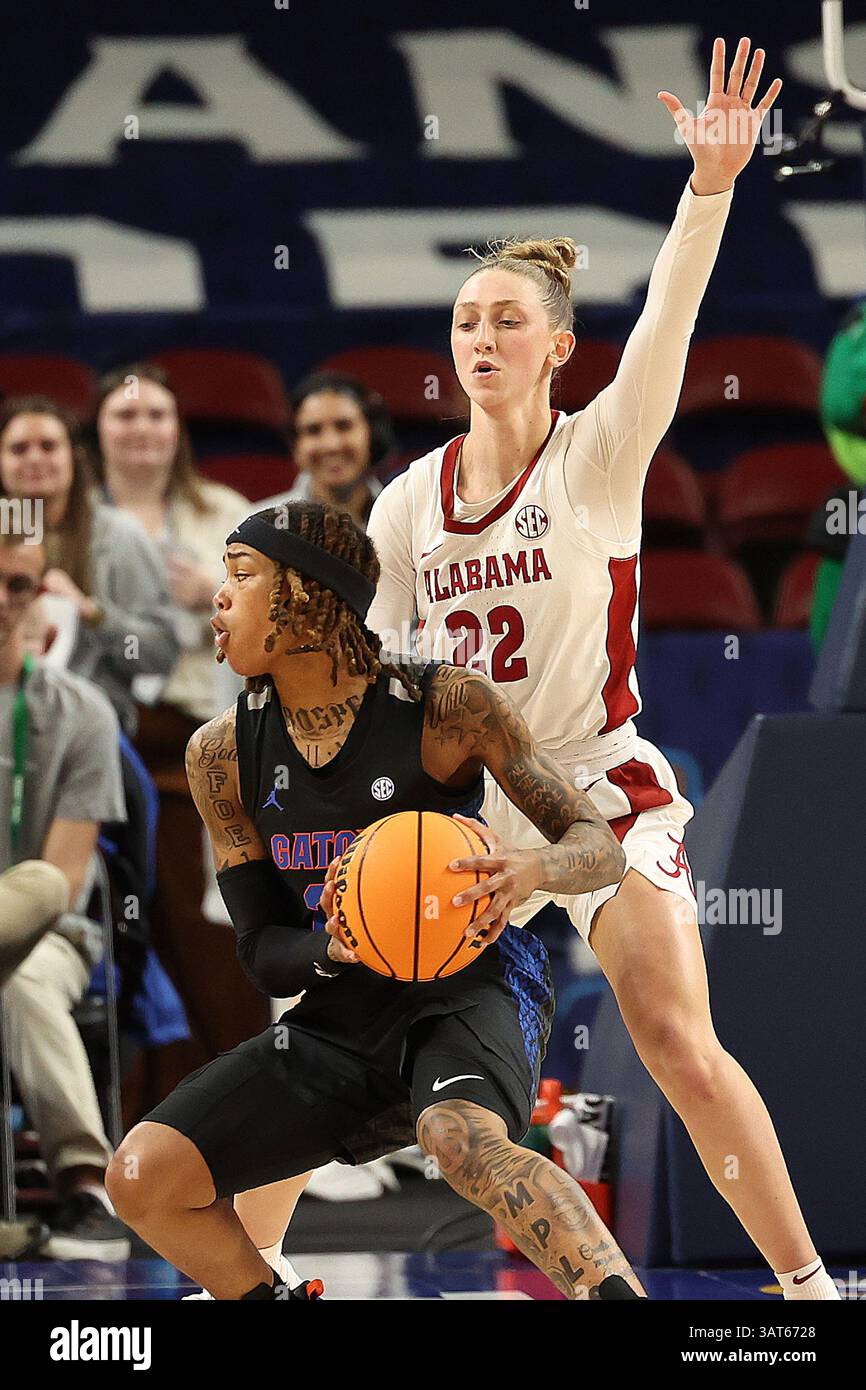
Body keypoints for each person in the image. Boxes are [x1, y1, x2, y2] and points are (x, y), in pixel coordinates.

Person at [363, 36, 838, 1300]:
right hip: (469, 815)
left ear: (556, 347)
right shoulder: (408, 501)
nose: (480, 336)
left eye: (506, 320)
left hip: (597, 785)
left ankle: (804, 1292)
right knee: (333, 1036)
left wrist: (710, 188)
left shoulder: (598, 456)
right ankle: (240, 1276)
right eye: (465, 320)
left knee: (676, 1040)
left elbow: (670, 313)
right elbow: (373, 674)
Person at [106, 502, 644, 1301]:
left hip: (475, 984)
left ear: (310, 595)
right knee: (142, 1176)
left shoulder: (444, 705)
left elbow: (597, 844)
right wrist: (335, 945)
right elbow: (261, 951)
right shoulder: (219, 752)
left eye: (241, 574)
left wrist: (530, 869)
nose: (217, 597)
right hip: (341, 1010)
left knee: (458, 1138)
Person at [92, 364, 267, 1094]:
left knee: (216, 950)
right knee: (129, 944)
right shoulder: (73, 521)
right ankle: (137, 1126)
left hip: (210, 750)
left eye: (156, 416)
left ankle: (243, 1117)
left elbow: (281, 615)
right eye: (125, 417)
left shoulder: (224, 510)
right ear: (97, 431)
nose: (141, 430)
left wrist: (215, 596)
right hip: (108, 752)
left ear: (178, 431)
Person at [0, 529, 130, 1259]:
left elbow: (64, 882)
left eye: (18, 585)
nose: (1, 601)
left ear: (41, 595)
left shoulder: (82, 712)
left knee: (16, 980)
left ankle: (86, 1185)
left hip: (46, 936)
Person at [0, 396, 179, 738]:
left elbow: (158, 655)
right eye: (19, 449)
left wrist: (95, 615)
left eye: (49, 446)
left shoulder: (120, 536)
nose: (35, 458)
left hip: (92, 718)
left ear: (74, 457)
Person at [258, 372, 395, 532]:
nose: (331, 445)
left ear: (373, 434)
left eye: (344, 426)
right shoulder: (260, 528)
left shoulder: (408, 521)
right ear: (295, 444)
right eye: (313, 430)